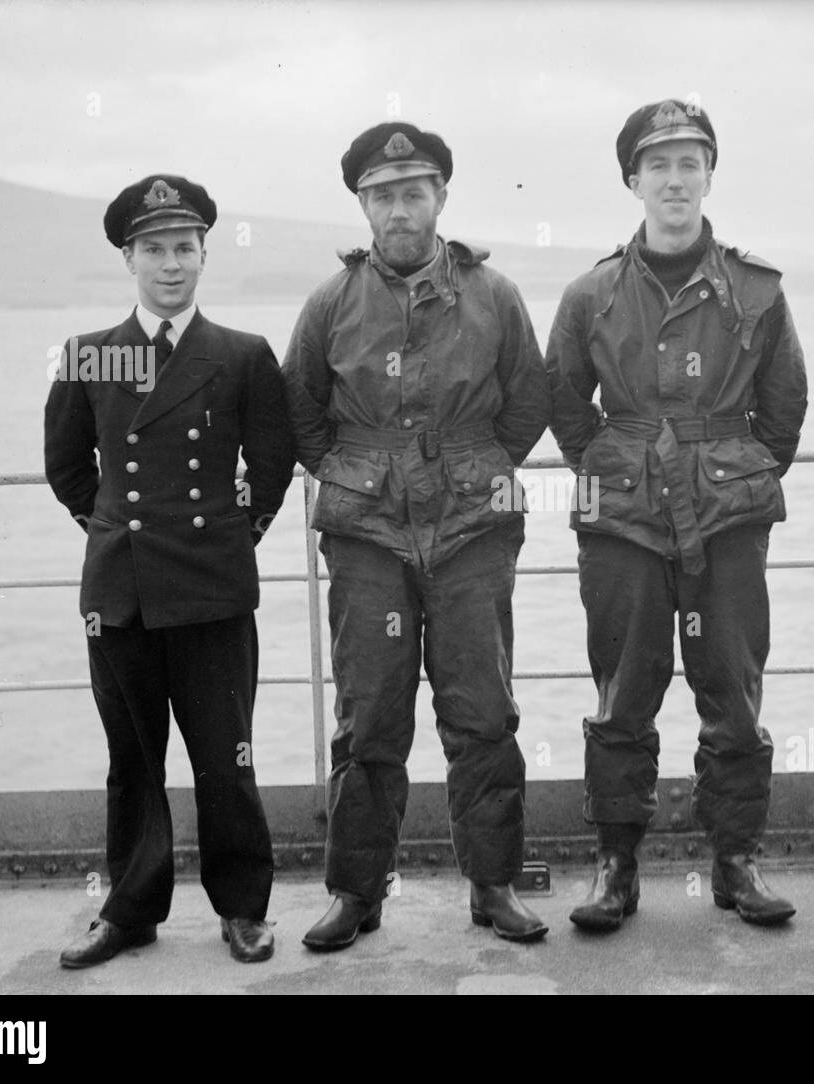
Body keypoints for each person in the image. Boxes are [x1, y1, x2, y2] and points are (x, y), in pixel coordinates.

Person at [282, 122, 552, 949]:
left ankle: (495, 884)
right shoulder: (331, 303)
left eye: (414, 191)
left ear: (440, 197)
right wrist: (365, 475)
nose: (400, 209)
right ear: (363, 206)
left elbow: (529, 401)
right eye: (383, 196)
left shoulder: (493, 293)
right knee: (368, 717)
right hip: (368, 538)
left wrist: (475, 465)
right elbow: (302, 413)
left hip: (472, 531)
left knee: (482, 711)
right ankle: (357, 892)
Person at [545, 100, 808, 932]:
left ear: (708, 175)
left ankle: (736, 859)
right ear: (632, 180)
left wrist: (725, 472)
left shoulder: (757, 289)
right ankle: (617, 865)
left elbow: (786, 409)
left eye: (689, 162)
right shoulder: (591, 292)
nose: (674, 179)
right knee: (624, 691)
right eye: (657, 165)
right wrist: (618, 467)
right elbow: (561, 404)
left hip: (727, 518)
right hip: (622, 521)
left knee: (731, 685)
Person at [45, 174, 296, 966]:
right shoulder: (89, 356)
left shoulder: (243, 356)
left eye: (184, 248)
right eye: (153, 250)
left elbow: (275, 462)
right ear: (129, 259)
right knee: (132, 761)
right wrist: (118, 530)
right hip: (120, 591)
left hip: (214, 590)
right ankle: (130, 911)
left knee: (228, 758)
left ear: (203, 256)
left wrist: (230, 536)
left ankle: (244, 909)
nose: (171, 264)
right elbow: (65, 467)